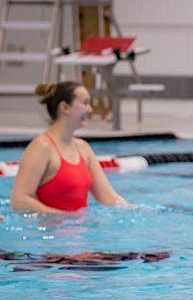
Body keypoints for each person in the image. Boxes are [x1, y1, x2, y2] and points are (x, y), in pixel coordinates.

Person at [10, 82, 129, 213]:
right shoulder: (42, 147)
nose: (90, 109)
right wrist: (63, 217)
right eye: (85, 103)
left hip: (80, 230)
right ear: (65, 107)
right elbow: (20, 200)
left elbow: (109, 197)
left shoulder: (83, 148)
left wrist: (138, 210)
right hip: (50, 231)